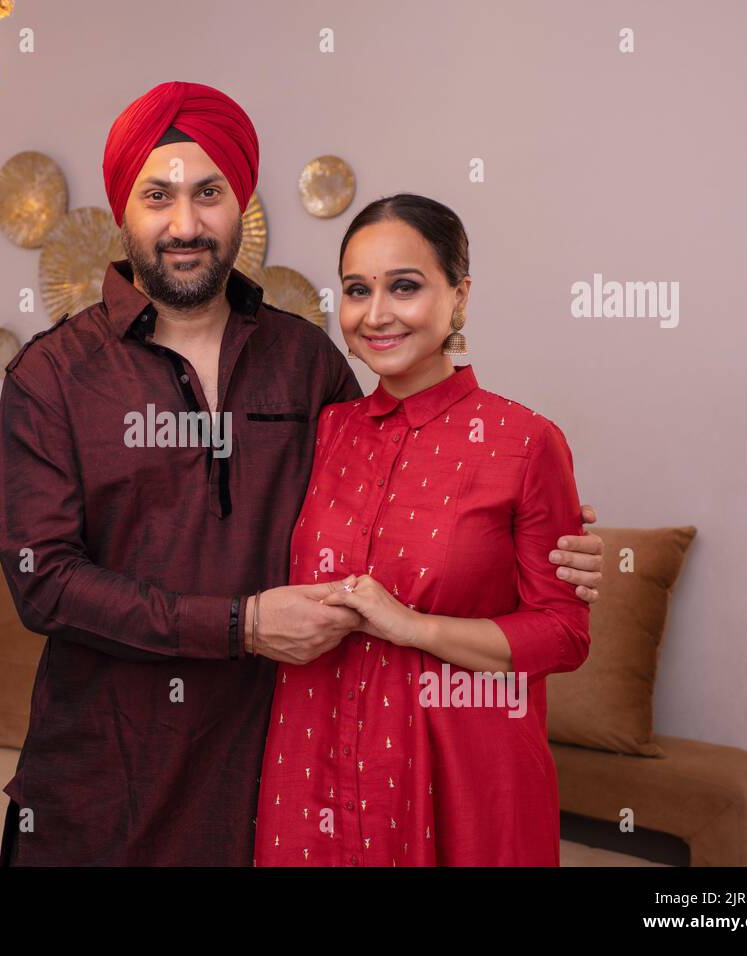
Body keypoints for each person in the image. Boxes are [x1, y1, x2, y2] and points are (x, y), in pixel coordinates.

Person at [0, 81, 603, 866]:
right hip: (101, 785)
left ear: (238, 204)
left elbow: (397, 480)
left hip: (266, 786)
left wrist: (551, 540)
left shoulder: (306, 361)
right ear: (125, 212)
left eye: (208, 192)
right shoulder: (52, 376)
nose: (185, 222)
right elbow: (43, 584)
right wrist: (241, 623)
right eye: (158, 195)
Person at [253, 194, 587, 866]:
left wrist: (412, 626)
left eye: (404, 286)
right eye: (356, 290)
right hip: (313, 759)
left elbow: (564, 633)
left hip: (463, 769)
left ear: (459, 297)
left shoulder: (523, 442)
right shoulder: (320, 435)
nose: (376, 314)